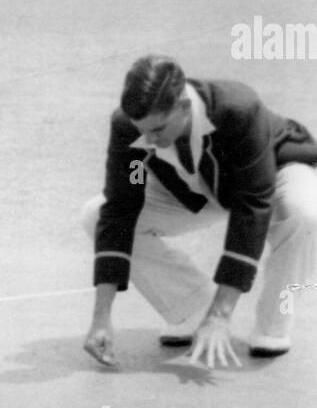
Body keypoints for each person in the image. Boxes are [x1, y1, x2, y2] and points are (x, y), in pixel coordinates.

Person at [82, 55, 317, 369]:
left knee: (306, 213)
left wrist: (221, 315)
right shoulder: (133, 131)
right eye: (142, 131)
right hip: (193, 190)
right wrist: (101, 318)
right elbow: (121, 208)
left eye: (157, 129)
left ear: (182, 106)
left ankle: (272, 326)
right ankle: (192, 308)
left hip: (273, 172)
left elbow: (252, 207)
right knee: (95, 214)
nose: (147, 140)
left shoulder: (238, 108)